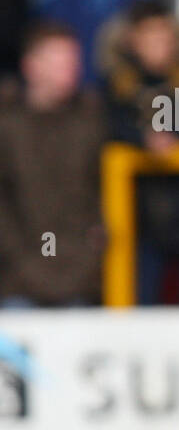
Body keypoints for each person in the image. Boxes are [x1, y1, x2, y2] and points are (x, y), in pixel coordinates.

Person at [102, 0, 179, 304]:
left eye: (164, 37)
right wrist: (143, 139)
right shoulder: (114, 86)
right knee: (140, 303)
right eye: (149, 38)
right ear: (132, 41)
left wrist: (175, 138)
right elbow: (107, 125)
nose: (158, 46)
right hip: (141, 216)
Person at [0, 23, 108, 307]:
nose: (70, 69)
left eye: (73, 60)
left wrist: (89, 255)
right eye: (59, 61)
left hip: (81, 281)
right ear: (31, 67)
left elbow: (101, 199)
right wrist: (22, 263)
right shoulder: (7, 125)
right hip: (15, 282)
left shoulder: (93, 120)